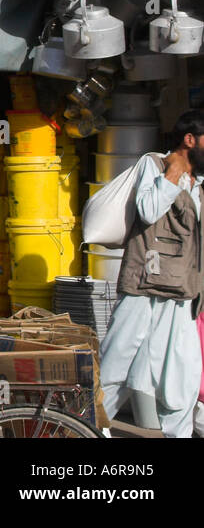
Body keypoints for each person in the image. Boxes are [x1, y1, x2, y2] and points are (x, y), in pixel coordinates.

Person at [100, 110, 204, 438]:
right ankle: (82, 428)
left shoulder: (199, 184)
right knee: (115, 368)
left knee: (183, 378)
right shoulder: (154, 165)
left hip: (182, 296)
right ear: (190, 140)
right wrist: (171, 176)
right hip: (143, 289)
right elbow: (147, 210)